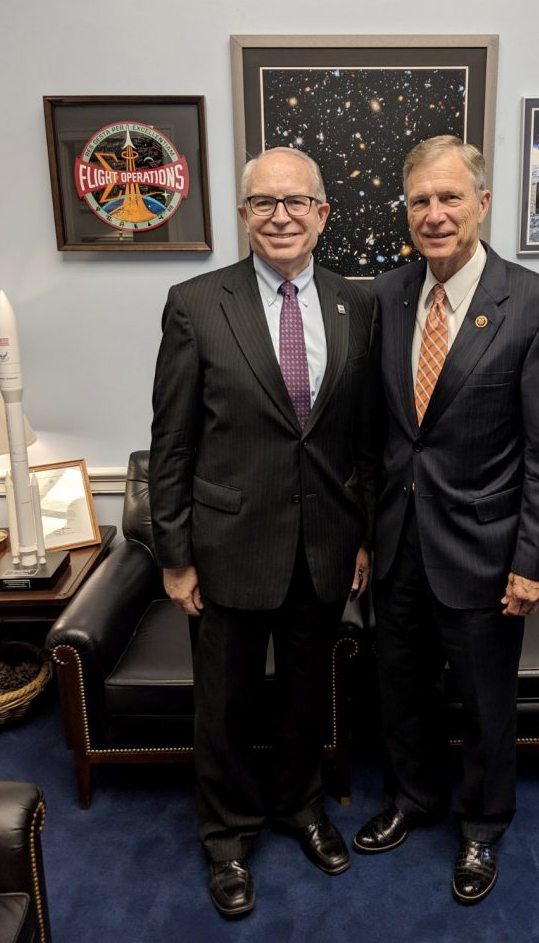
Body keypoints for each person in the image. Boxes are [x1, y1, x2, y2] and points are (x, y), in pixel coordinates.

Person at [148, 147, 378, 918]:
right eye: (263, 203)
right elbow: (173, 441)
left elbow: (364, 441)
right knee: (225, 705)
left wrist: (366, 538)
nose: (280, 216)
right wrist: (175, 556)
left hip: (325, 549)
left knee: (307, 697)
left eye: (296, 202)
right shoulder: (195, 302)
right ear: (244, 215)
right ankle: (227, 837)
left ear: (322, 214)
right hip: (226, 549)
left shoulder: (358, 304)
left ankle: (301, 808)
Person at [353, 135, 539, 904]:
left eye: (450, 198)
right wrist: (363, 533)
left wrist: (535, 561)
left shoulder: (538, 306)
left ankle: (483, 826)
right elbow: (378, 435)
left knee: (485, 702)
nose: (435, 214)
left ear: (482, 203)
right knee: (401, 687)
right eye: (420, 201)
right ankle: (414, 800)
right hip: (396, 544)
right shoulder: (384, 297)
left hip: (486, 551)